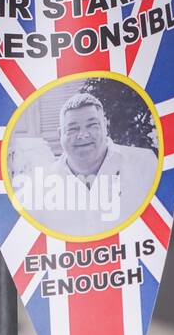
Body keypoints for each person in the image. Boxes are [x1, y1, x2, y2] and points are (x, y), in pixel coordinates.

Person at [17, 91, 157, 237]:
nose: (83, 134)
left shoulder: (144, 165)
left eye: (92, 125)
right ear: (60, 135)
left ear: (105, 126)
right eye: (73, 128)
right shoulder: (40, 187)